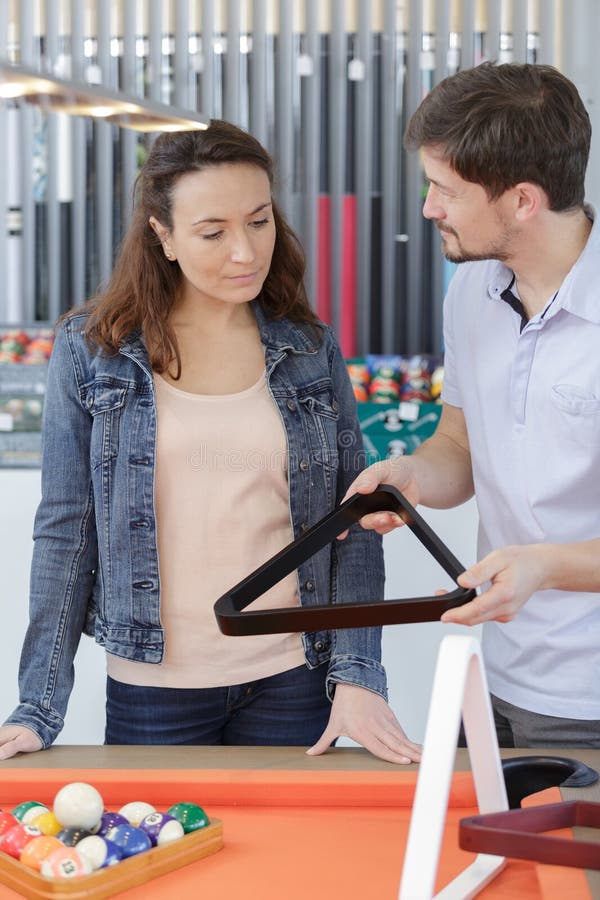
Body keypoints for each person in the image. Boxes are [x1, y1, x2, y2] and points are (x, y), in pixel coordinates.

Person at [0, 121, 420, 764]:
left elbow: (356, 519)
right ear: (162, 235)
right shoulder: (94, 351)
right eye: (213, 232)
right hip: (154, 690)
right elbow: (65, 530)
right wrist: (38, 706)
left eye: (258, 221)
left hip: (293, 677)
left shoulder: (308, 348)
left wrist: (358, 674)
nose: (246, 252)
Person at [344, 62, 600, 748]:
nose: (429, 208)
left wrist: (545, 566)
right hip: (490, 674)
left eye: (445, 190)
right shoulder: (472, 291)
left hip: (588, 699)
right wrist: (414, 477)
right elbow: (458, 446)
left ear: (522, 201)